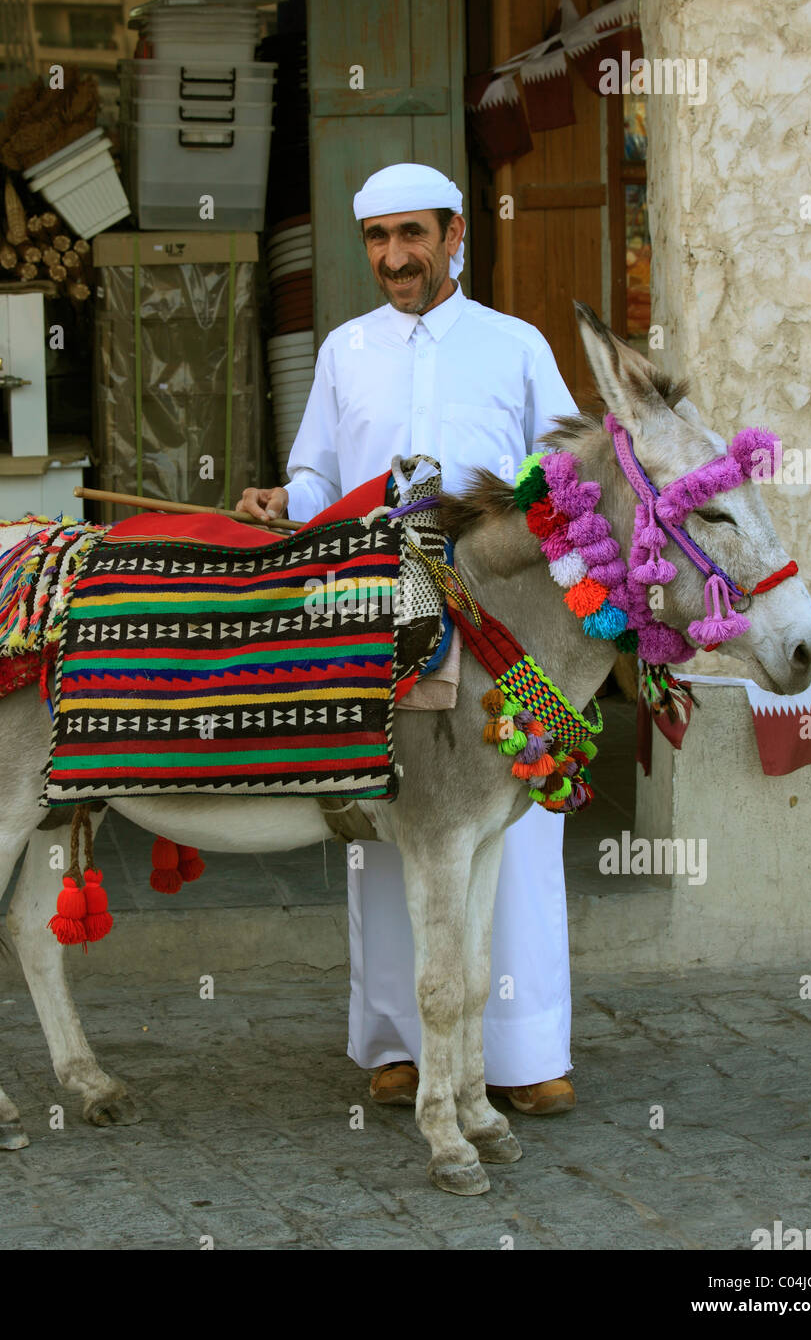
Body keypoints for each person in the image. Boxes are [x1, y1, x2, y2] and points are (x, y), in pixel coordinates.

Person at [237, 162, 578, 1114]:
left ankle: (526, 1050)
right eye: (379, 239)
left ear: (456, 233)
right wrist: (282, 502)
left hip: (507, 632)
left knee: (516, 824)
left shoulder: (515, 345)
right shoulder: (345, 349)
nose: (396, 257)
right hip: (384, 619)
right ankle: (398, 1045)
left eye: (413, 236)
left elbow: (564, 479)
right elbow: (318, 473)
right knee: (387, 824)